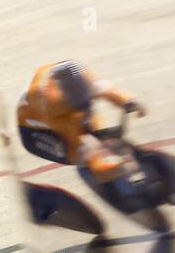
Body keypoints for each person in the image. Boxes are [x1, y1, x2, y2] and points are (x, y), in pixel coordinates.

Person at [15, 60, 145, 181]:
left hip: (58, 101)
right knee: (81, 153)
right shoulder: (52, 109)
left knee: (94, 127)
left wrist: (128, 101)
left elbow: (105, 89)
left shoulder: (80, 74)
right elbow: (78, 139)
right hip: (35, 129)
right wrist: (105, 166)